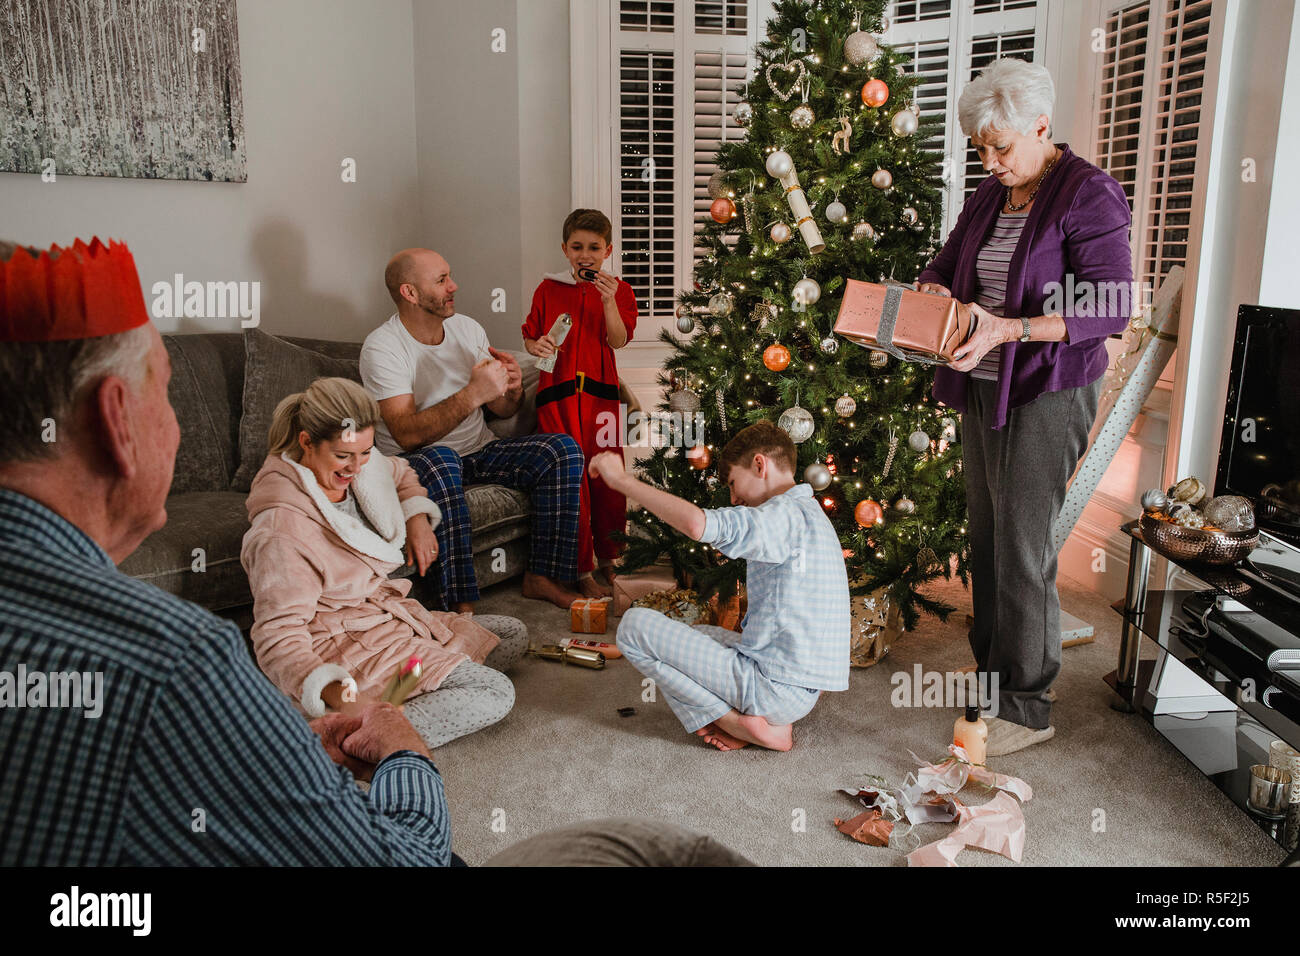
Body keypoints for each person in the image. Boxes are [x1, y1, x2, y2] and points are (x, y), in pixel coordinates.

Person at [0, 237, 749, 866]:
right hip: (353, 653)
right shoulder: (182, 660)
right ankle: (443, 635)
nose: (178, 425)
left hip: (385, 613)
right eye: (164, 396)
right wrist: (401, 751)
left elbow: (408, 460)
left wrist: (498, 394)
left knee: (512, 626)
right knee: (669, 853)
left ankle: (530, 590)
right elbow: (399, 860)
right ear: (113, 421)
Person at [916, 58, 1134, 755]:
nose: (990, 159)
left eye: (1001, 145)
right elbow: (949, 264)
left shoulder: (1087, 193)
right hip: (983, 381)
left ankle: (1028, 703)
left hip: (1047, 384)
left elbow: (1109, 305)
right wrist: (932, 290)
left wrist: (1011, 327)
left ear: (1041, 125)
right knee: (986, 535)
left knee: (1024, 542)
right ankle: (994, 675)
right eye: (980, 147)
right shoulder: (988, 194)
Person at [241, 376, 527, 748]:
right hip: (343, 646)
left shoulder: (363, 464)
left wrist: (417, 518)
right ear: (306, 443)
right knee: (494, 692)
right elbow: (277, 639)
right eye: (343, 456)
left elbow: (401, 471)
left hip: (385, 621)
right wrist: (351, 702)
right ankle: (350, 737)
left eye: (364, 453)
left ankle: (397, 694)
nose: (356, 468)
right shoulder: (282, 530)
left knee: (510, 634)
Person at [593, 422, 850, 752]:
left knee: (633, 627)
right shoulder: (809, 514)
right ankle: (765, 720)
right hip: (801, 690)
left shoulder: (781, 515)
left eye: (733, 483)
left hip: (773, 689)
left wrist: (622, 481)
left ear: (760, 465)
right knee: (700, 635)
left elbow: (697, 524)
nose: (733, 498)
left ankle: (737, 722)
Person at [361, 248, 586, 613]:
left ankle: (543, 577)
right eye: (441, 280)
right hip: (415, 461)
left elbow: (503, 409)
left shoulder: (467, 329)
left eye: (449, 276)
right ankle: (458, 603)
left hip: (478, 450)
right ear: (410, 293)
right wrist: (472, 394)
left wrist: (510, 390)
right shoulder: (382, 348)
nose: (454, 286)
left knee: (561, 451)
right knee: (443, 457)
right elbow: (406, 434)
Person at [522, 209, 638, 597]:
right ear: (565, 249)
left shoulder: (619, 291)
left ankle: (609, 560)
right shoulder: (548, 289)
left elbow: (618, 340)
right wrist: (535, 345)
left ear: (608, 250)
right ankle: (579, 567)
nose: (585, 255)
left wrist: (607, 300)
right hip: (557, 397)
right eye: (577, 247)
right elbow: (532, 337)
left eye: (593, 248)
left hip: (601, 400)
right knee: (572, 480)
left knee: (607, 478)